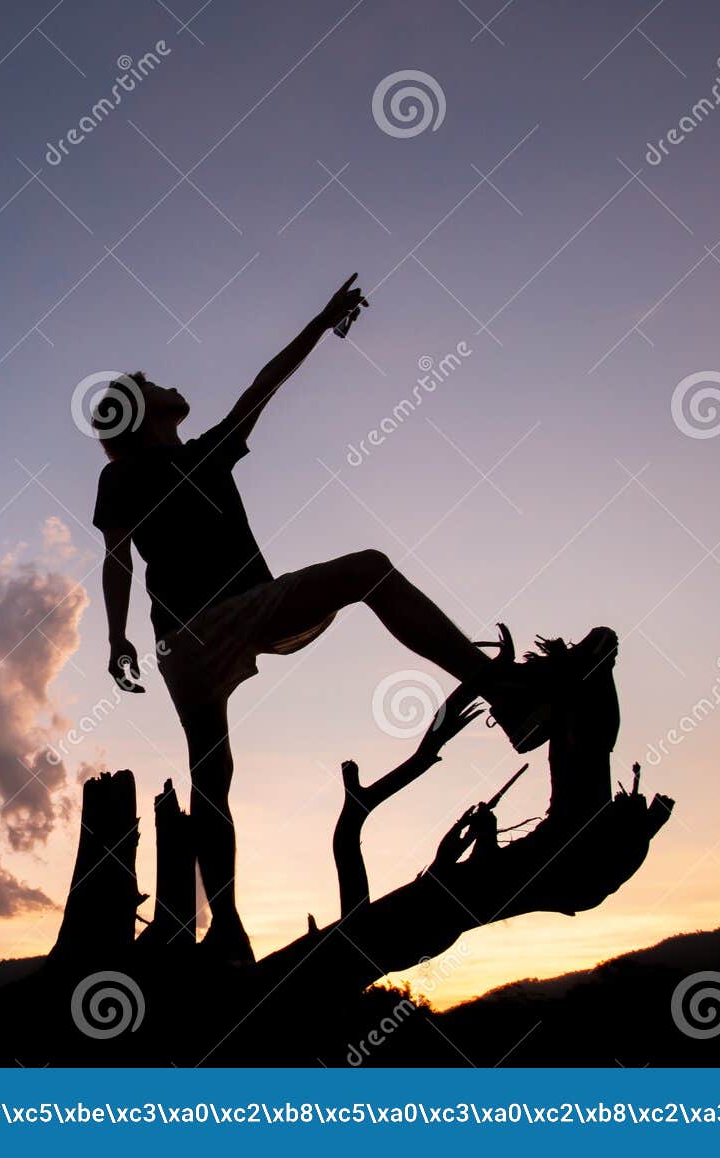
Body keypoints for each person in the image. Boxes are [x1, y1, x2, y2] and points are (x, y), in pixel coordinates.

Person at [89, 274, 547, 963]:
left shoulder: (199, 455)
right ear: (141, 412)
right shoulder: (137, 471)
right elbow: (117, 556)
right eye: (155, 385)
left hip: (183, 644)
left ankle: (229, 932)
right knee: (368, 570)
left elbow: (265, 382)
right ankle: (502, 691)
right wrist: (114, 635)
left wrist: (320, 322)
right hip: (220, 620)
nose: (170, 385)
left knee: (211, 779)